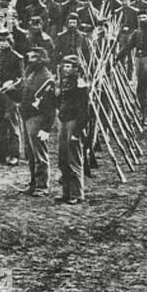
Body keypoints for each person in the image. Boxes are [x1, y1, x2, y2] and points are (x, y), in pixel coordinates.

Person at [15, 47, 57, 195]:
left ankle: (42, 186)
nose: (30, 60)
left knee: (39, 154)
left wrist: (46, 128)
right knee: (30, 153)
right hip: (27, 117)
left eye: (33, 58)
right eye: (30, 57)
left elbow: (51, 107)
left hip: (38, 118)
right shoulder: (30, 73)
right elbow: (24, 94)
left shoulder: (46, 78)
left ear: (41, 60)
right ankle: (33, 183)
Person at [55, 53, 92, 204]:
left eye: (69, 66)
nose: (66, 68)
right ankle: (66, 192)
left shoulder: (80, 85)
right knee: (63, 157)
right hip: (63, 120)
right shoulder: (64, 82)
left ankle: (76, 194)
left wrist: (77, 132)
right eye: (65, 66)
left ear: (76, 69)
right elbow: (59, 101)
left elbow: (85, 112)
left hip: (73, 123)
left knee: (74, 159)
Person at [117, 12, 147, 126]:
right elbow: (128, 47)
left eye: (144, 17)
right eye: (140, 17)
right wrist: (117, 57)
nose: (142, 19)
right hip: (138, 60)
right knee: (139, 88)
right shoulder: (136, 33)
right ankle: (140, 113)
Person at [0, 29, 24, 166]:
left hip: (11, 96)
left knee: (12, 125)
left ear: (10, 42)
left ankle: (14, 155)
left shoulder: (17, 57)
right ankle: (1, 153)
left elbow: (22, 79)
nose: (3, 44)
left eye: (5, 41)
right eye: (0, 41)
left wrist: (12, 84)